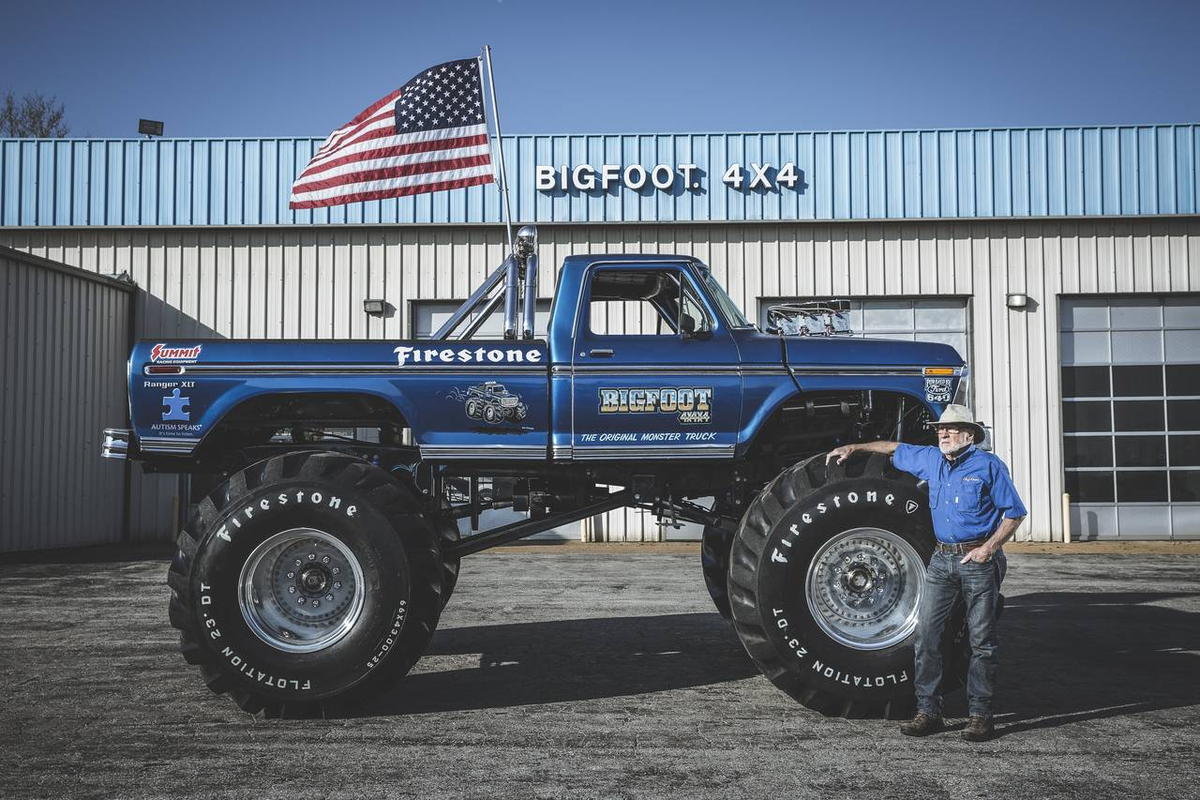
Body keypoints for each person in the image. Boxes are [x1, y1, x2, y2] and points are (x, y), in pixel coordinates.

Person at [826, 404, 1027, 742]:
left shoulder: (989, 466)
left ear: (969, 434)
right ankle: (928, 712)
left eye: (949, 429)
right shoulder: (931, 459)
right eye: (939, 430)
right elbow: (891, 448)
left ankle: (980, 716)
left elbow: (1015, 513)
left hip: (976, 562)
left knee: (982, 642)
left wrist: (988, 549)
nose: (942, 434)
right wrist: (854, 447)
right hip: (940, 560)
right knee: (926, 637)